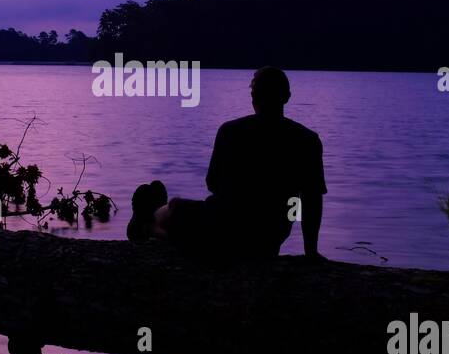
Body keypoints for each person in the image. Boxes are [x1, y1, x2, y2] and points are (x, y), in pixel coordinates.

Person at [128, 67, 326, 261]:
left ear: (254, 97)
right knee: (202, 225)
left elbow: (212, 183)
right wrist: (311, 251)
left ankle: (149, 219)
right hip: (273, 232)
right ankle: (154, 218)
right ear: (287, 96)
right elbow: (312, 201)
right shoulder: (307, 140)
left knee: (176, 208)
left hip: (224, 223)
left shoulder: (231, 131)